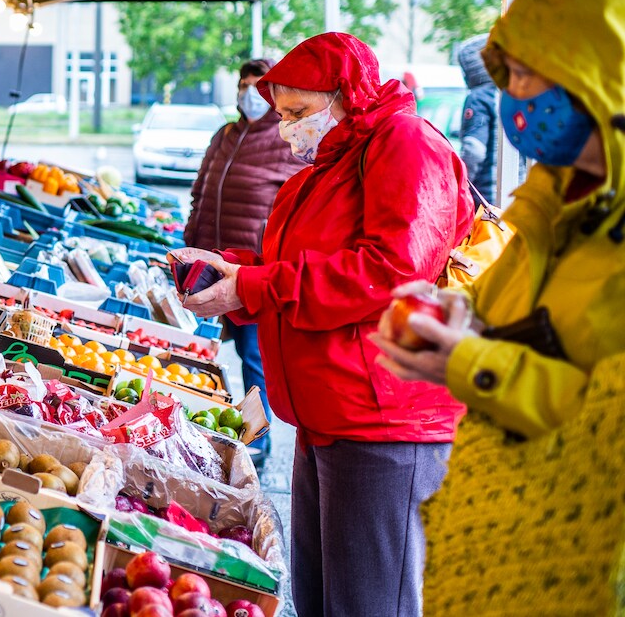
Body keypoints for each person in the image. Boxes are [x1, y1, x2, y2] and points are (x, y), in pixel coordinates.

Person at [170, 32, 475, 616]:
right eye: (281, 114)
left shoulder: (404, 144)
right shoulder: (325, 165)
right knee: (322, 599)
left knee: (367, 603)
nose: (286, 128)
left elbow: (389, 272)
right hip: (325, 419)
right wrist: (232, 272)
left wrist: (255, 285)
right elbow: (300, 267)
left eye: (298, 113)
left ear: (347, 95)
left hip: (382, 423)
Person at [370, 0, 625, 610]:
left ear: (596, 78)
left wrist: (465, 362)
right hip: (494, 553)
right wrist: (459, 312)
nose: (514, 94)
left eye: (530, 73)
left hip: (573, 572)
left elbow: (605, 421)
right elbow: (497, 310)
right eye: (508, 74)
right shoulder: (552, 201)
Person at [184, 58, 305, 464]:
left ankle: (259, 438)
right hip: (209, 264)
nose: (248, 93)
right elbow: (200, 192)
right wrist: (191, 238)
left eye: (257, 86)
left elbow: (294, 208)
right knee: (201, 353)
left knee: (254, 355)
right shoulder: (225, 135)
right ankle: (203, 426)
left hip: (251, 268)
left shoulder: (284, 139)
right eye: (243, 84)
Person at [456, 34, 498, 203]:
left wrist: (460, 185)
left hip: (487, 200)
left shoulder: (479, 97)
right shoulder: (511, 94)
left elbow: (474, 150)